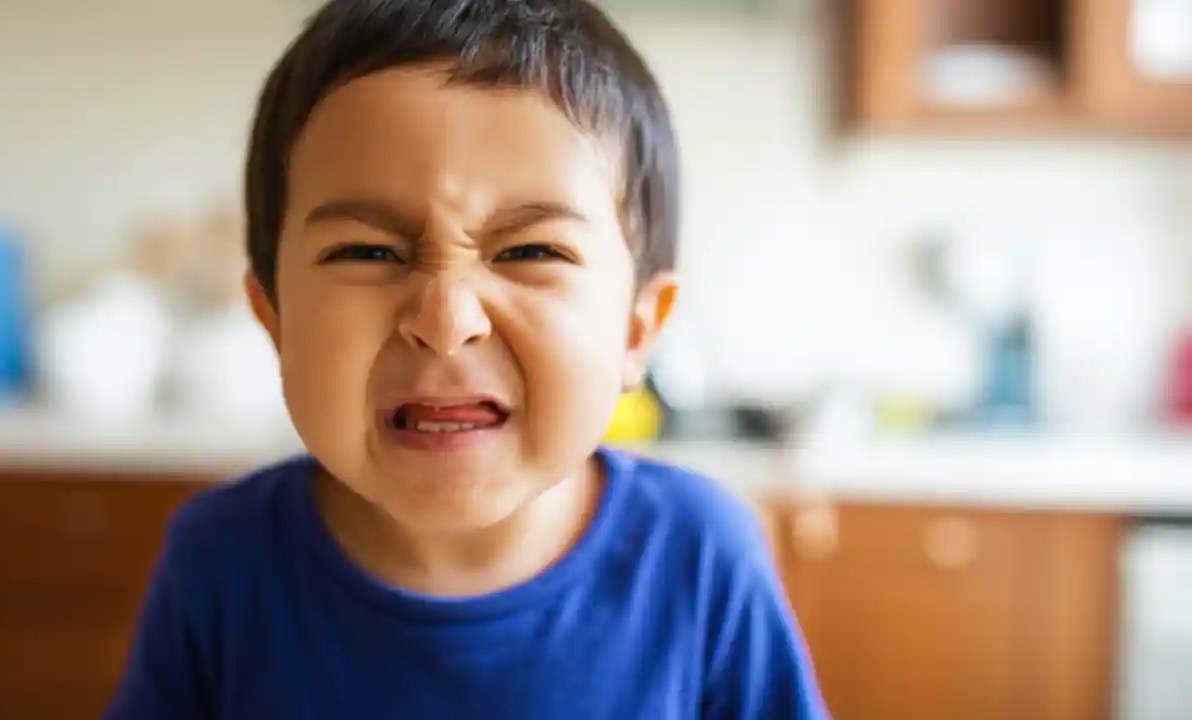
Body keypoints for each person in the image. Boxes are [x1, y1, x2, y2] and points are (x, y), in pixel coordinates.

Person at [108, 0, 826, 717]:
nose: (446, 322)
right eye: (366, 251)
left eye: (530, 251)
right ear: (274, 318)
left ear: (636, 330)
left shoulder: (701, 560)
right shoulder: (219, 560)